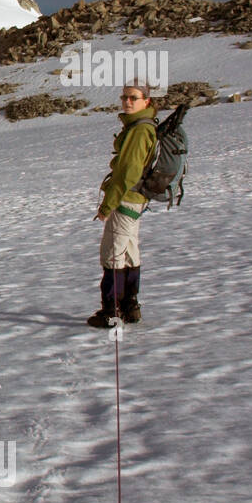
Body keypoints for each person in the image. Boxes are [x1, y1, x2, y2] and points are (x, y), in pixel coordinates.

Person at [87, 82, 158, 328]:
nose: (127, 102)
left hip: (126, 199)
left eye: (133, 98)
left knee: (112, 253)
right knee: (128, 251)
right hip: (135, 200)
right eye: (124, 97)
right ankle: (130, 307)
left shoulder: (139, 131)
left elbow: (127, 174)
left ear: (146, 101)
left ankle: (111, 312)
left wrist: (107, 206)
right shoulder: (142, 126)